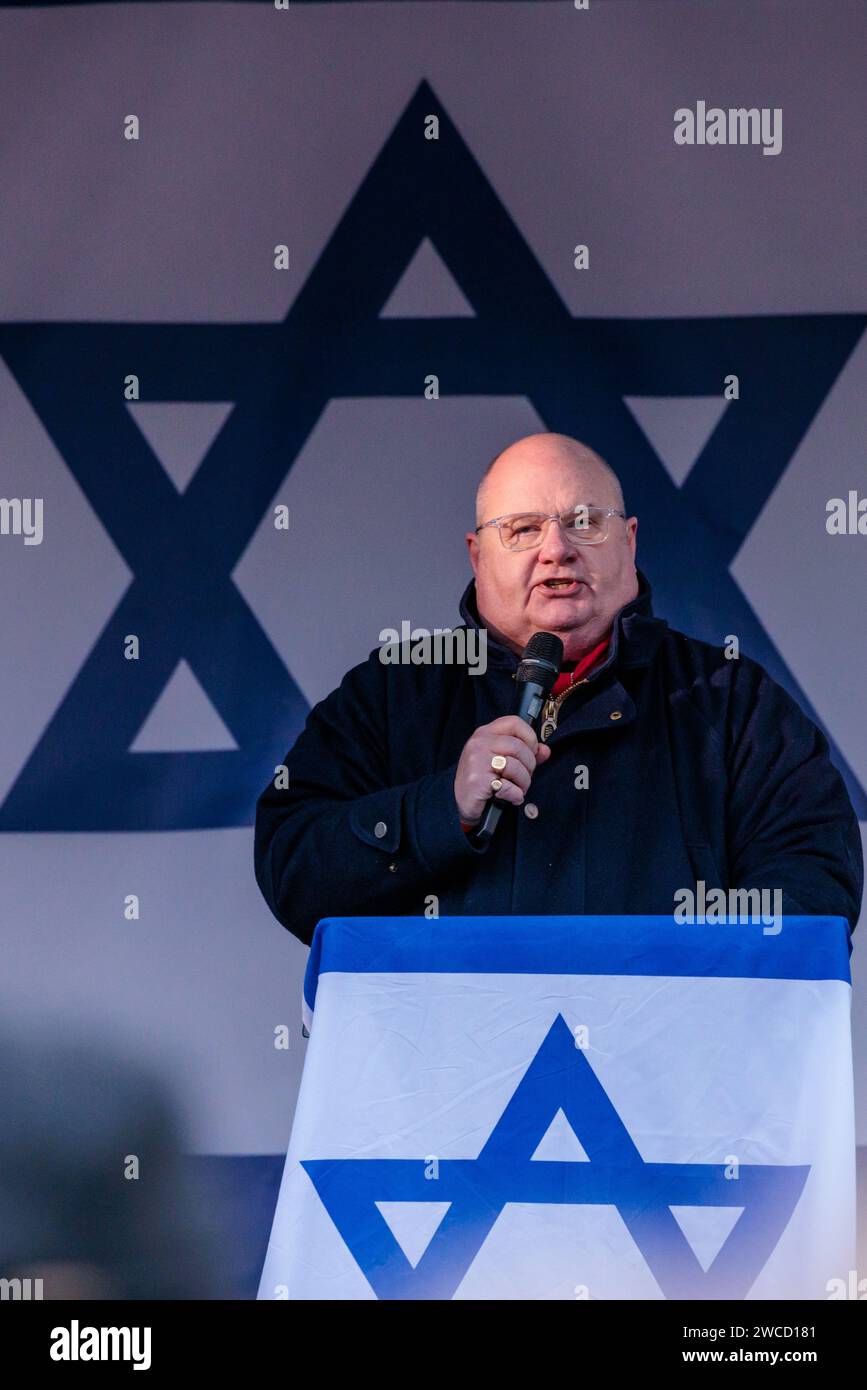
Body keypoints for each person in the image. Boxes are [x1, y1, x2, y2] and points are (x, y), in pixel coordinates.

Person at [254, 432, 862, 947]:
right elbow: (292, 863)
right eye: (521, 529)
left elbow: (815, 878)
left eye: (584, 522)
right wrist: (441, 811)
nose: (556, 550)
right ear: (477, 555)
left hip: (661, 1072)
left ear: (629, 542)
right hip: (451, 1076)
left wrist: (680, 977)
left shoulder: (731, 699)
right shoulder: (391, 692)